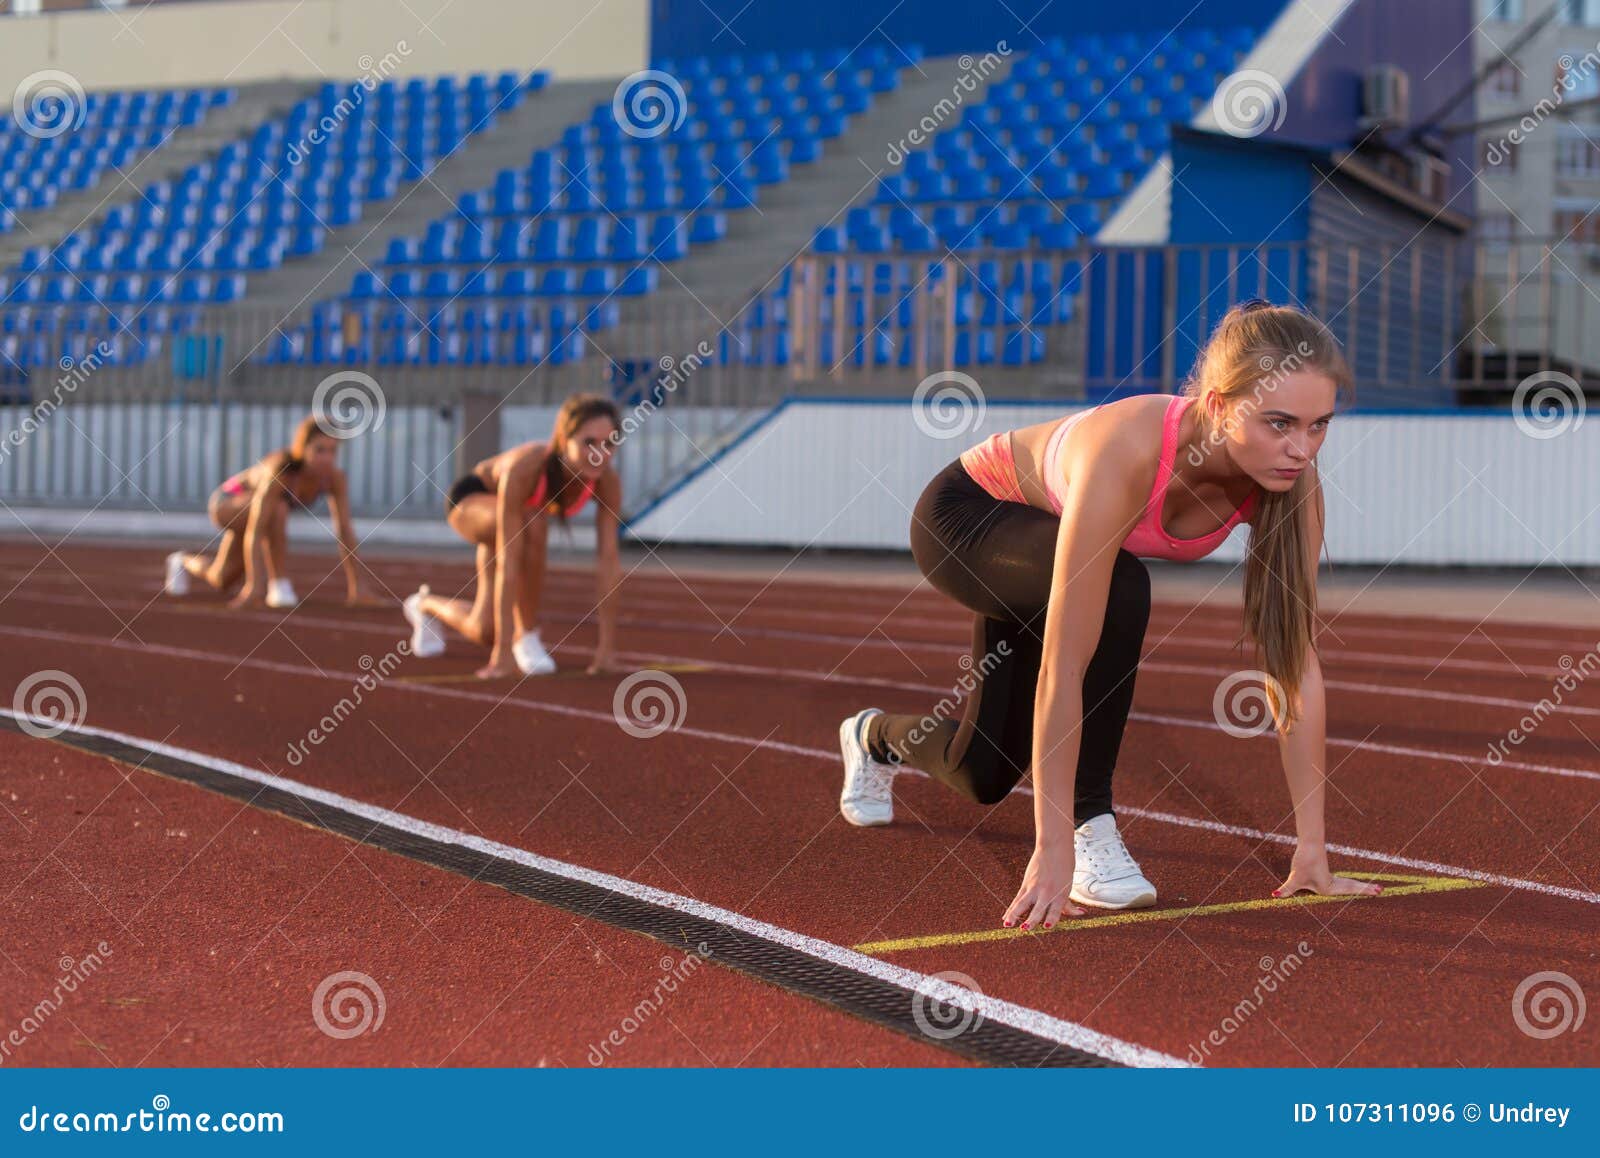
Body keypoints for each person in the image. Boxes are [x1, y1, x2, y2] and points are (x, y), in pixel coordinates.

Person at [838, 299, 1384, 931]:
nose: (1300, 449)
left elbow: (1293, 662)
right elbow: (1065, 663)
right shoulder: (1129, 452)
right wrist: (1054, 848)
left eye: (1319, 426)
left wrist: (1311, 851)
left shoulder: (1290, 483)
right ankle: (1090, 824)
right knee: (1123, 587)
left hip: (1047, 547)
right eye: (1280, 423)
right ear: (1216, 406)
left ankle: (873, 737)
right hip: (969, 519)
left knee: (982, 772)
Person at [403, 392, 623, 680]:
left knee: (485, 630)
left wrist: (606, 651)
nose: (600, 453)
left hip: (516, 521)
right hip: (474, 502)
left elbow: (608, 563)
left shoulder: (606, 481)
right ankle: (527, 635)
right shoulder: (528, 467)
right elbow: (509, 560)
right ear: (563, 438)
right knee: (532, 521)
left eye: (609, 444)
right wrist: (504, 653)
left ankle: (423, 604)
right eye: (589, 443)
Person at [164, 414, 372, 608]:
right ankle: (279, 583)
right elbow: (256, 529)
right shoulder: (281, 471)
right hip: (228, 503)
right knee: (279, 509)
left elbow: (345, 531)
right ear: (303, 448)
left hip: (261, 515)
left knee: (221, 578)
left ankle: (182, 560)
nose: (326, 458)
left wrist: (358, 587)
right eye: (319, 450)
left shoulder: (334, 478)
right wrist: (254, 585)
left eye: (332, 451)